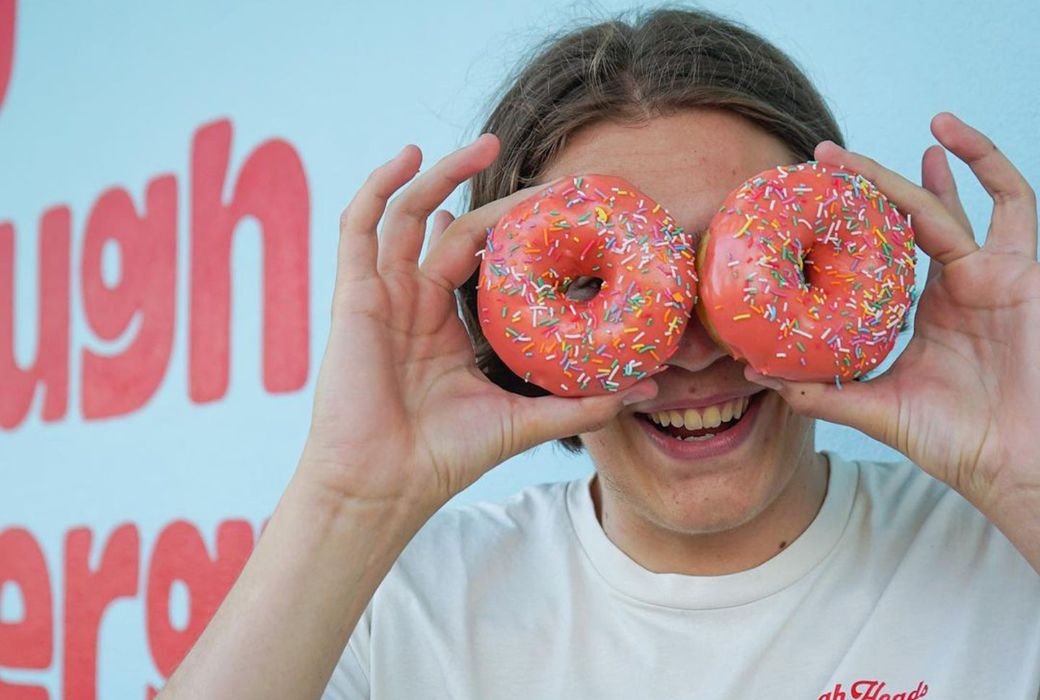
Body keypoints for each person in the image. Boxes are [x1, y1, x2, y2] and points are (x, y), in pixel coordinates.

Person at [156, 8, 1040, 699]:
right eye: (596, 288)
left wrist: (1027, 478)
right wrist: (347, 502)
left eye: (744, 269)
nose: (695, 352)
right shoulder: (406, 601)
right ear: (496, 325)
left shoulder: (1006, 554)